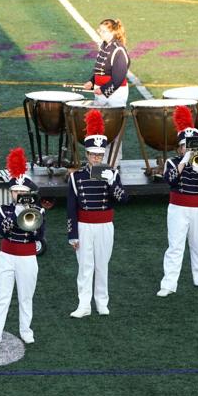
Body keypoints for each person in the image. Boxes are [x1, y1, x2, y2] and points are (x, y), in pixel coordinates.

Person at [67, 110, 128, 318]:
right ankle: (84, 304)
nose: (96, 158)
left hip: (104, 225)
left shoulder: (113, 174)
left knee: (102, 264)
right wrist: (72, 234)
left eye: (99, 155)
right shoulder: (77, 177)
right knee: (85, 266)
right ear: (87, 155)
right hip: (84, 226)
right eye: (93, 155)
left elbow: (122, 199)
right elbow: (71, 208)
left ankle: (102, 302)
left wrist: (111, 182)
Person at [0, 148, 44, 346]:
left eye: (22, 192)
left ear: (29, 193)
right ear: (10, 192)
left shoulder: (38, 210)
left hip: (27, 257)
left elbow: (39, 235)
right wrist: (15, 215)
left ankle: (25, 330)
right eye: (16, 191)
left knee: (26, 296)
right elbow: (1, 230)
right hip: (7, 255)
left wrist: (28, 213)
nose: (18, 194)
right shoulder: (3, 209)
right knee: (2, 296)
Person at [157, 106, 198, 297]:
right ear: (180, 148)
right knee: (175, 246)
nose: (190, 149)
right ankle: (168, 284)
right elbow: (171, 180)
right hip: (178, 208)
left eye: (193, 146)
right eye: (186, 146)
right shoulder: (173, 163)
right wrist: (184, 162)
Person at [82, 18, 129, 163]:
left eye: (102, 30)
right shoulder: (104, 45)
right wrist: (92, 81)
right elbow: (100, 71)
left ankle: (114, 160)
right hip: (102, 92)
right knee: (101, 126)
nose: (99, 32)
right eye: (99, 30)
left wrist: (103, 90)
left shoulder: (118, 49)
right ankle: (101, 159)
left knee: (114, 127)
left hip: (115, 94)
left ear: (112, 31)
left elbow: (118, 77)